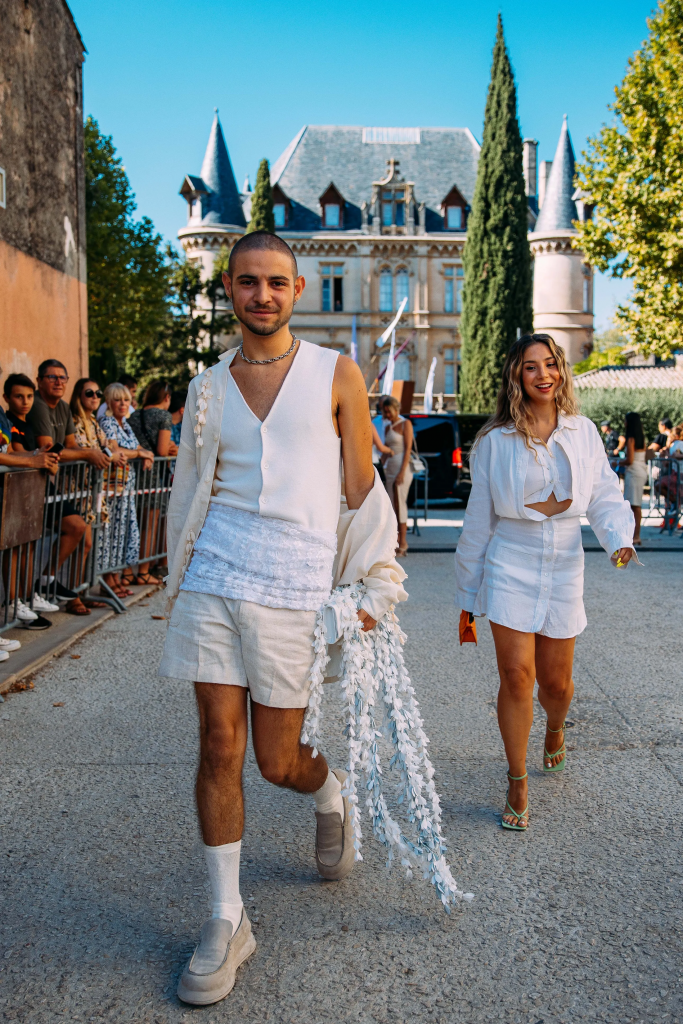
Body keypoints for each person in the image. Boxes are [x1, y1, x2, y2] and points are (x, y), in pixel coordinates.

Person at [159, 231, 405, 1007]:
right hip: (214, 578)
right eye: (246, 282)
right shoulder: (206, 387)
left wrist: (372, 587)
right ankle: (226, 918)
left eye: (275, 282)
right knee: (217, 742)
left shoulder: (337, 373)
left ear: (297, 290)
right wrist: (175, 574)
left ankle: (326, 790)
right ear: (227, 290)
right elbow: (189, 491)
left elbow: (361, 492)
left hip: (294, 585)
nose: (260, 295)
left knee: (275, 760)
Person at [455, 333, 636, 832]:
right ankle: (516, 779)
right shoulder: (494, 442)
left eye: (550, 364)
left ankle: (555, 727)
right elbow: (478, 520)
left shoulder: (582, 431)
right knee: (517, 676)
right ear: (517, 375)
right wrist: (468, 598)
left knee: (556, 683)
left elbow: (602, 492)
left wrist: (619, 536)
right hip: (510, 556)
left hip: (564, 560)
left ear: (561, 371)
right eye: (531, 367)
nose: (543, 374)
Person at [26, 360, 112, 615]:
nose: (58, 382)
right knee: (24, 545)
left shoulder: (62, 407)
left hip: (46, 483)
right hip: (29, 483)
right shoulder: (39, 406)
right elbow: (52, 450)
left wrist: (86, 453)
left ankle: (51, 584)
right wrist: (89, 454)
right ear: (39, 380)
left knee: (80, 531)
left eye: (62, 378)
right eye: (52, 377)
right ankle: (30, 596)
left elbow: (70, 445)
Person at [1, 373, 60, 627]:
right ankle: (13, 603)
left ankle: (23, 599)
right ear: (7, 397)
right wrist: (33, 459)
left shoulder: (14, 420)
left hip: (21, 491)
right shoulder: (8, 418)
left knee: (24, 544)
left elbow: (13, 452)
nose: (25, 401)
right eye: (18, 396)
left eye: (28, 396)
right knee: (12, 548)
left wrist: (41, 458)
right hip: (10, 490)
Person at [70, 379, 129, 600]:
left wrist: (112, 453)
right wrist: (110, 455)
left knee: (92, 543)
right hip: (80, 490)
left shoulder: (94, 422)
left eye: (97, 393)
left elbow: (111, 448)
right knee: (84, 544)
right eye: (89, 393)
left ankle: (82, 592)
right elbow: (90, 452)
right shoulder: (75, 421)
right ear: (79, 395)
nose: (94, 397)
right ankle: (74, 596)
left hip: (95, 492)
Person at [98, 384, 153, 589]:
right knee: (110, 533)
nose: (123, 404)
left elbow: (137, 447)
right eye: (118, 399)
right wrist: (140, 454)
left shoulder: (125, 424)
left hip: (125, 488)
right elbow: (114, 449)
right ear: (109, 402)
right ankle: (107, 582)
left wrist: (146, 454)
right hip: (112, 488)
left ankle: (115, 577)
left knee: (123, 533)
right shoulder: (108, 422)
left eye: (126, 400)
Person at [128, 380, 178, 580]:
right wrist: (174, 448)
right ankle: (144, 571)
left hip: (135, 473)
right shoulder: (163, 416)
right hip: (154, 476)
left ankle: (131, 570)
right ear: (166, 398)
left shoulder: (134, 415)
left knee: (135, 524)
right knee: (150, 524)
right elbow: (162, 451)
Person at [380, 395, 414, 556]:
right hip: (390, 469)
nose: (387, 415)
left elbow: (408, 449)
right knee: (391, 505)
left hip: (403, 467)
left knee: (400, 503)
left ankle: (403, 543)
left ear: (395, 409)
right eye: (384, 412)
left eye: (388, 411)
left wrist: (402, 472)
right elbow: (386, 449)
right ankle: (394, 541)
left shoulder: (405, 424)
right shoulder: (388, 428)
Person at [623, 411, 648, 546]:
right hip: (641, 471)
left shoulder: (631, 439)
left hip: (633, 472)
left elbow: (630, 460)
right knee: (635, 505)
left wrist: (618, 463)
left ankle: (635, 535)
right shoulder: (641, 438)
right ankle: (635, 535)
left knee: (634, 505)